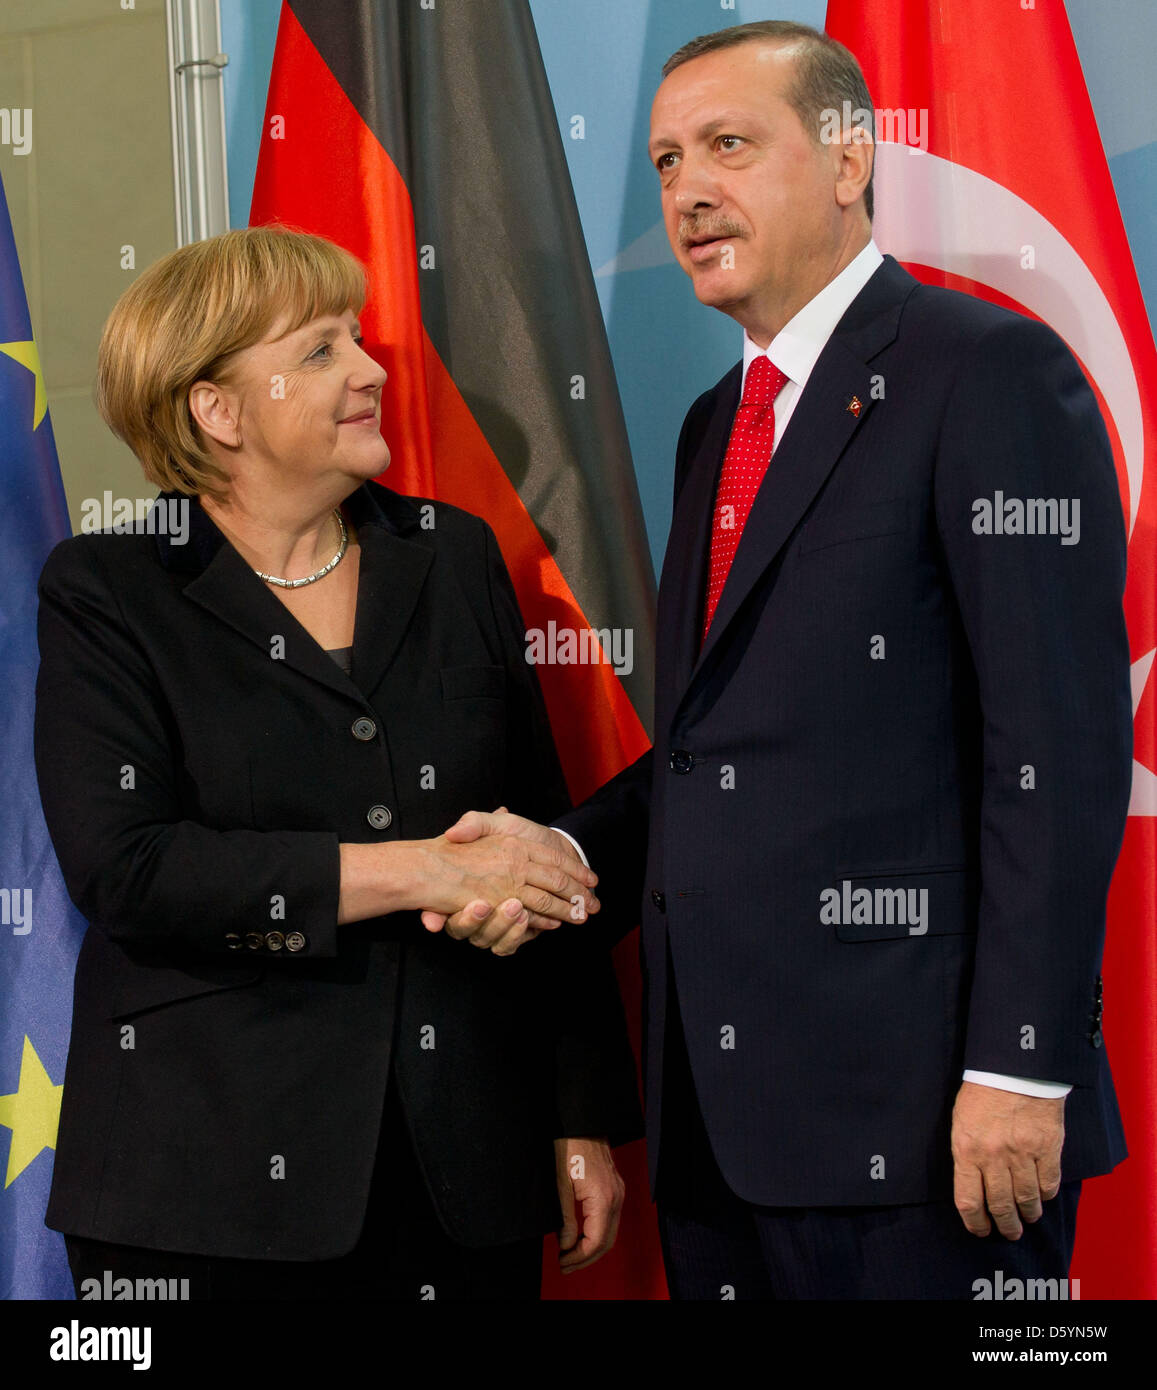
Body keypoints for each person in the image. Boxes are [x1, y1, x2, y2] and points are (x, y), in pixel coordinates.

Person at [425, 21, 1132, 1298]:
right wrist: (565, 851)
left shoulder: (988, 372)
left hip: (928, 1130)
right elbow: (717, 746)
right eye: (662, 162)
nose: (687, 191)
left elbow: (1057, 751)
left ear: (850, 159)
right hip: (723, 1124)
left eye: (728, 147)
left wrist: (1021, 1068)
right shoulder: (717, 423)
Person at [34, 225, 641, 1301]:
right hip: (206, 1190)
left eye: (354, 339)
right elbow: (130, 868)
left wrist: (578, 1111)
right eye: (319, 351)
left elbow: (540, 840)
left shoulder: (450, 555)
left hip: (463, 1175)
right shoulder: (109, 589)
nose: (369, 371)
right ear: (216, 410)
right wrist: (423, 871)